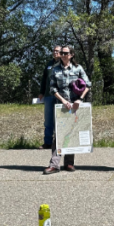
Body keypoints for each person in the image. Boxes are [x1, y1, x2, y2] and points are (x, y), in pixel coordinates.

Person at [43, 44, 88, 174]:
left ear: (71, 55)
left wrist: (80, 99)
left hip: (75, 106)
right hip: (61, 107)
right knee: (59, 134)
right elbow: (52, 88)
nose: (63, 55)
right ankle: (54, 164)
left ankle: (69, 163)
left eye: (65, 53)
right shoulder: (55, 69)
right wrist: (63, 101)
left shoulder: (78, 68)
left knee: (71, 133)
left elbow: (87, 85)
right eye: (61, 53)